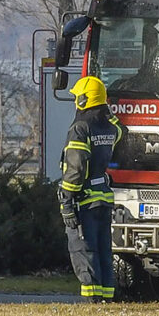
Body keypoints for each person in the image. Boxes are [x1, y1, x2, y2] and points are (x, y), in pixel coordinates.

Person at [59, 75, 121, 302]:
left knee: (83, 251)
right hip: (103, 199)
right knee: (104, 251)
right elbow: (121, 130)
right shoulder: (110, 128)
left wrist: (66, 201)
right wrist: (108, 112)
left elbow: (75, 168)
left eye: (78, 97)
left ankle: (92, 300)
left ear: (84, 100)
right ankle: (106, 297)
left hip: (83, 201)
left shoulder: (80, 128)